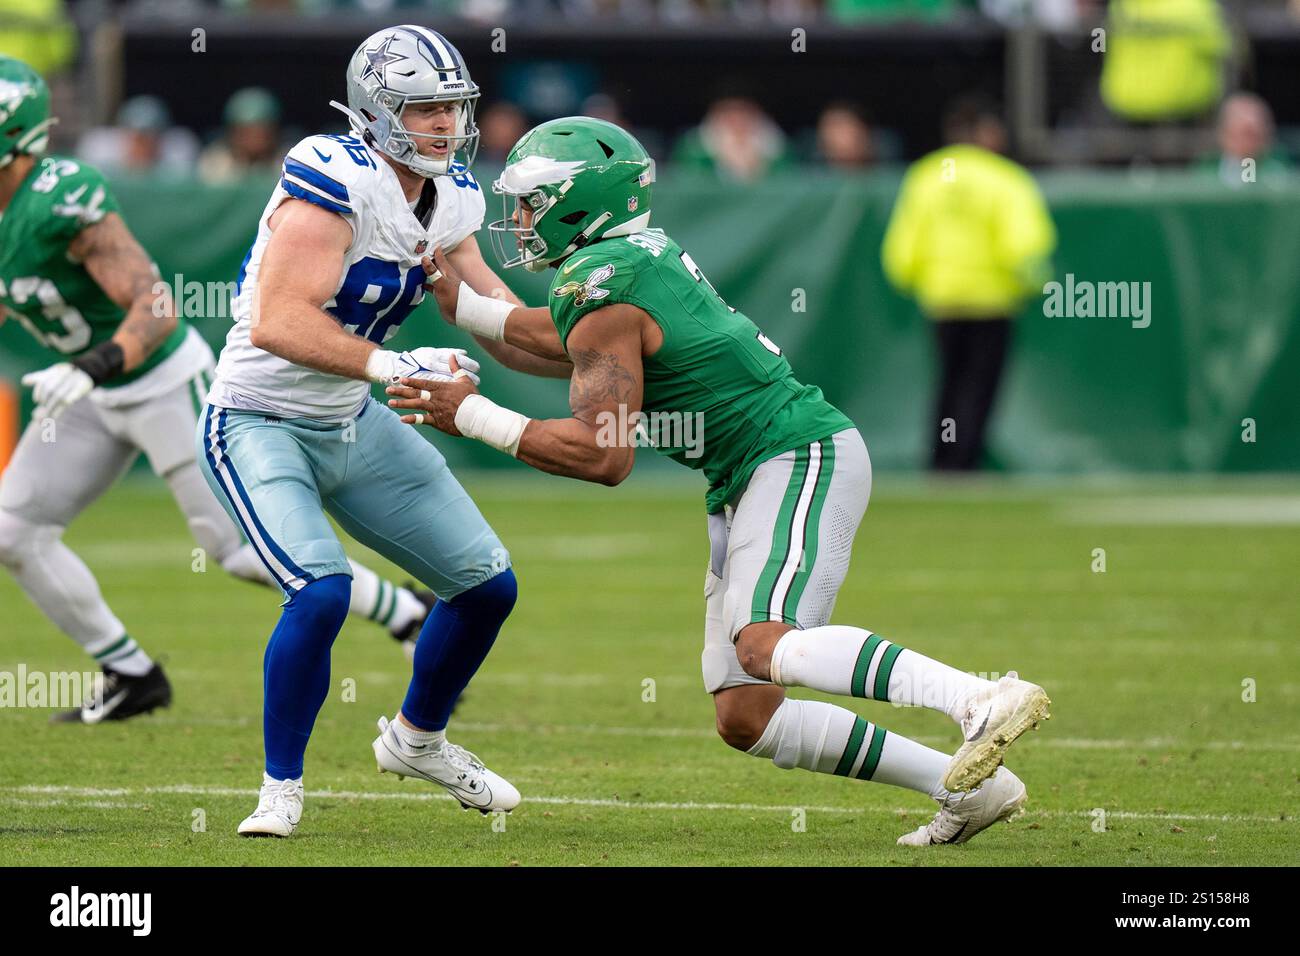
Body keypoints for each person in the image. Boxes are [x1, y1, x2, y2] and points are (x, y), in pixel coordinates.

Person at [392, 116, 1052, 847]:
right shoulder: (618, 264)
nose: (519, 220)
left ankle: (978, 698)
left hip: (792, 453)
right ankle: (971, 790)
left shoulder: (603, 279)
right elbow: (564, 343)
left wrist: (472, 415)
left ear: (576, 200)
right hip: (746, 471)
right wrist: (468, 307)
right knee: (747, 714)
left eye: (530, 202)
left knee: (764, 643)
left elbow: (604, 455)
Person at [197, 25, 566, 837]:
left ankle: (417, 740)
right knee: (322, 593)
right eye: (424, 107)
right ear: (375, 109)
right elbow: (276, 321)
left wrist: (600, 358)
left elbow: (492, 316)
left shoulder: (454, 194)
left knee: (485, 587)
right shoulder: (334, 175)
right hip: (259, 418)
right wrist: (390, 368)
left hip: (351, 419)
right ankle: (279, 789)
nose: (443, 124)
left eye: (451, 107)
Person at [0, 55, 435, 725]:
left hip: (162, 381)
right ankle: (130, 671)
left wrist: (92, 364)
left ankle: (408, 613)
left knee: (235, 550)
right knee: (14, 530)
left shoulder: (61, 197)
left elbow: (155, 306)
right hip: (85, 391)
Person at [882, 98, 1056, 471]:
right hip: (992, 301)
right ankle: (965, 461)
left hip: (941, 298)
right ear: (987, 133)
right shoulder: (1005, 178)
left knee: (947, 382)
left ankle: (942, 460)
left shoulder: (925, 177)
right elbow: (1025, 245)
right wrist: (1036, 285)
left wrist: (913, 280)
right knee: (979, 386)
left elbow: (902, 249)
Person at [197, 87, 284, 182]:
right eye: (246, 132)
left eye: (261, 131)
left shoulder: (288, 162)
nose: (254, 139)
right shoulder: (214, 163)